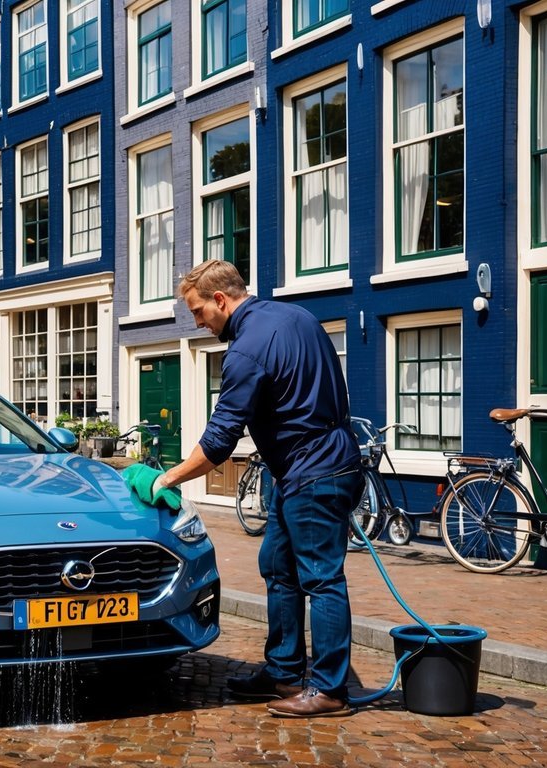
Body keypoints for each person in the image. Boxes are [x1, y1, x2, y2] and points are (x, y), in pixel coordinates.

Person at [128, 259, 361, 718]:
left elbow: (219, 441)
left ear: (220, 300)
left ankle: (332, 689)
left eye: (197, 311)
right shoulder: (298, 317)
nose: (197, 321)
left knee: (320, 576)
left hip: (314, 472)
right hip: (308, 468)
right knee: (277, 564)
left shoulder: (245, 349)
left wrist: (165, 478)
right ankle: (282, 671)